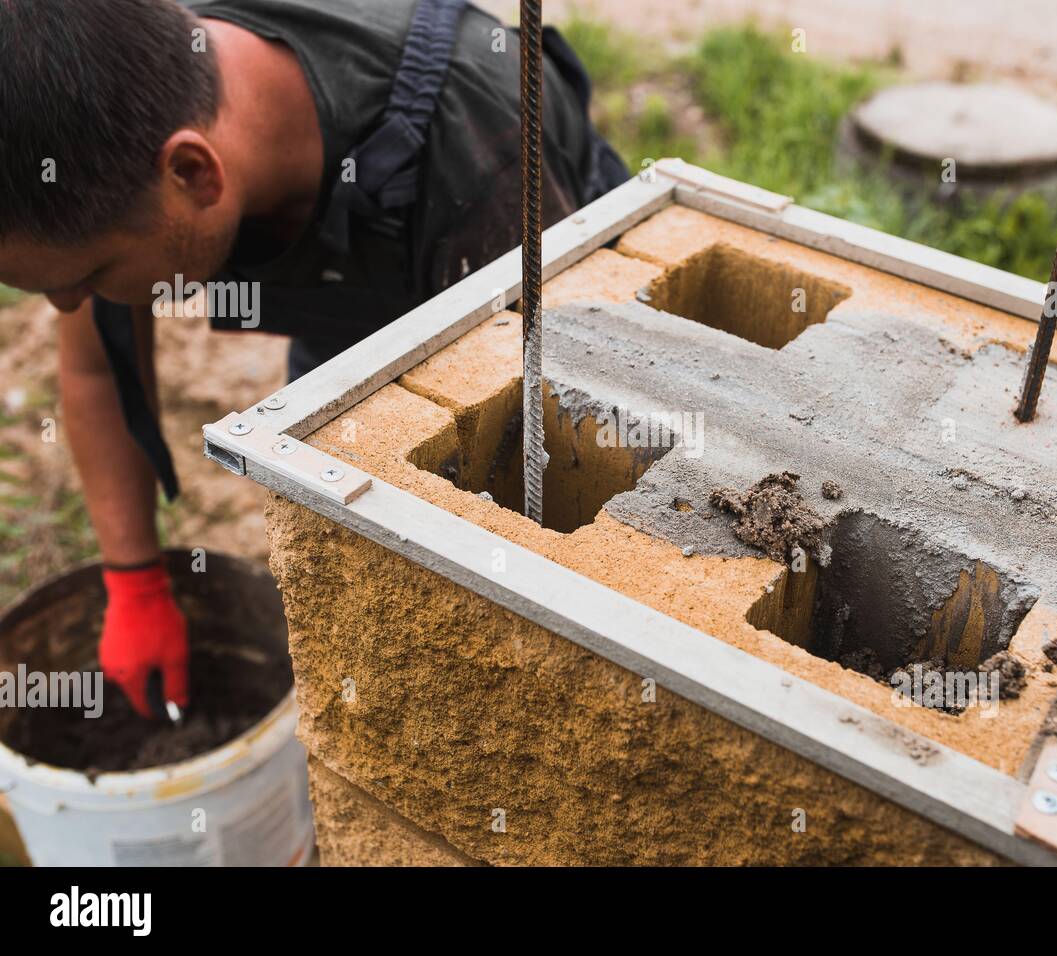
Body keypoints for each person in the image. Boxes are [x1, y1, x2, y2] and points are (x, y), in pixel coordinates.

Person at [0, 0, 627, 718]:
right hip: (358, 303)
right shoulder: (131, 131)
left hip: (548, 296)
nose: (65, 307)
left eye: (84, 278)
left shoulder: (476, 152)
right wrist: (135, 582)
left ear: (195, 174)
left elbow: (544, 439)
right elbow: (93, 371)